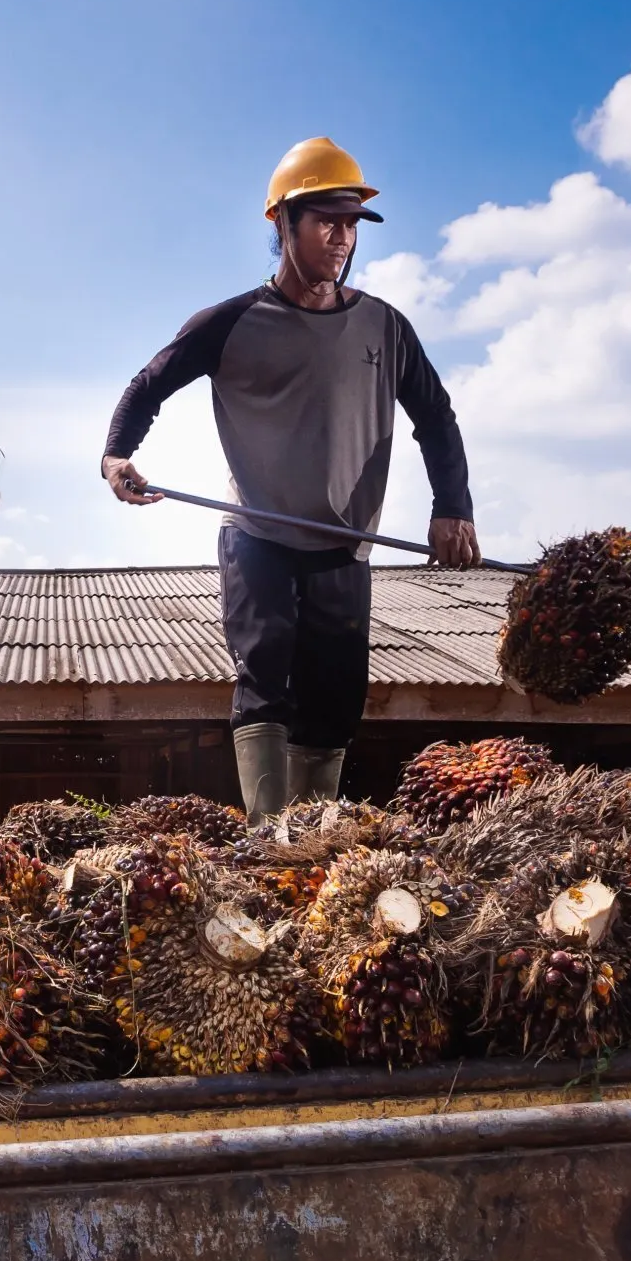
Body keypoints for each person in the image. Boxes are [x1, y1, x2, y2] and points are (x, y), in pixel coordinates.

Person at [99, 136, 480, 818]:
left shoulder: (385, 327)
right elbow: (147, 384)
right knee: (266, 678)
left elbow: (436, 416)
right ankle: (268, 840)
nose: (342, 237)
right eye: (326, 221)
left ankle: (312, 842)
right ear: (283, 223)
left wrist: (453, 507)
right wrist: (116, 456)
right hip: (258, 534)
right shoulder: (231, 322)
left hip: (345, 544)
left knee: (336, 699)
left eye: (351, 223)